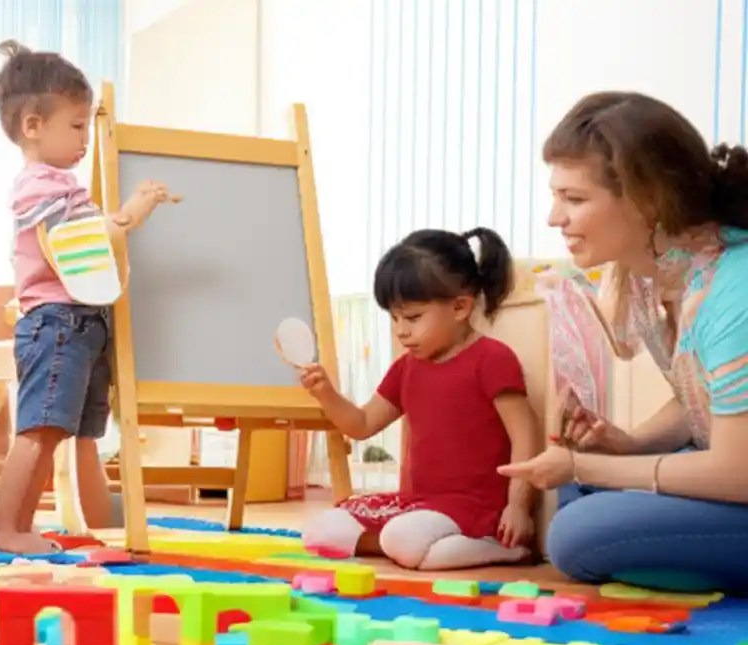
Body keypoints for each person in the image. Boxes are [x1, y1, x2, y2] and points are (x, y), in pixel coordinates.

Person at [497, 91, 748, 594]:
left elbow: (738, 469)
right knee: (576, 483)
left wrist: (594, 465)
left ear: (647, 199)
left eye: (574, 199)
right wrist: (630, 447)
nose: (554, 217)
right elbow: (701, 400)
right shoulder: (656, 277)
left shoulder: (732, 287)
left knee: (575, 533)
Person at [0, 39, 173, 555]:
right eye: (75, 125)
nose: (84, 139)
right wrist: (131, 213)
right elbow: (80, 241)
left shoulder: (61, 183)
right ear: (32, 126)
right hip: (57, 322)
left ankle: (43, 521)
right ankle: (8, 526)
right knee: (40, 429)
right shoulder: (38, 186)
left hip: (82, 321)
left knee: (71, 430)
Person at [300, 228, 540, 570]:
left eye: (413, 318)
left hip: (474, 507)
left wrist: (518, 505)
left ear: (460, 307)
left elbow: (524, 435)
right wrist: (325, 393)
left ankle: (500, 549)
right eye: (394, 318)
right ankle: (413, 549)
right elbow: (362, 424)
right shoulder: (407, 368)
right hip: (421, 504)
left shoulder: (492, 359)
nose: (401, 330)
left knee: (403, 537)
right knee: (322, 532)